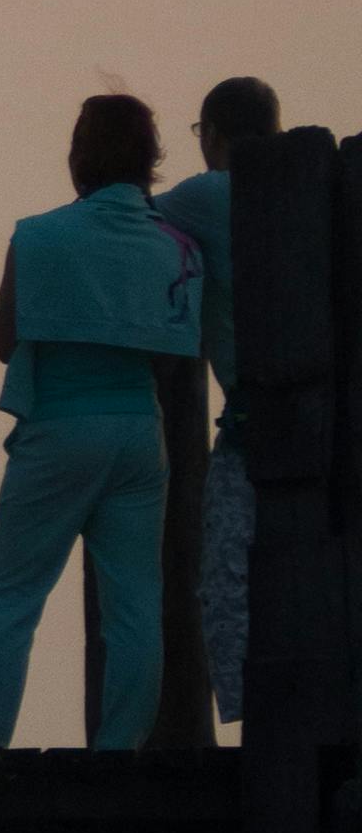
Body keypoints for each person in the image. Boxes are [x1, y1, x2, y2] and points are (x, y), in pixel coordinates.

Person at [0, 93, 204, 752]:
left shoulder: (38, 235)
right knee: (134, 611)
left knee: (11, 602)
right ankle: (120, 749)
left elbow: (5, 340)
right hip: (138, 431)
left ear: (79, 156)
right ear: (150, 159)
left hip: (58, 428)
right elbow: (174, 349)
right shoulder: (175, 247)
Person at [157, 74, 278, 727]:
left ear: (214, 136)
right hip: (317, 421)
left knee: (223, 581)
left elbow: (128, 221)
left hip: (252, 426)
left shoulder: (208, 195)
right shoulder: (297, 192)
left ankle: (246, 718)